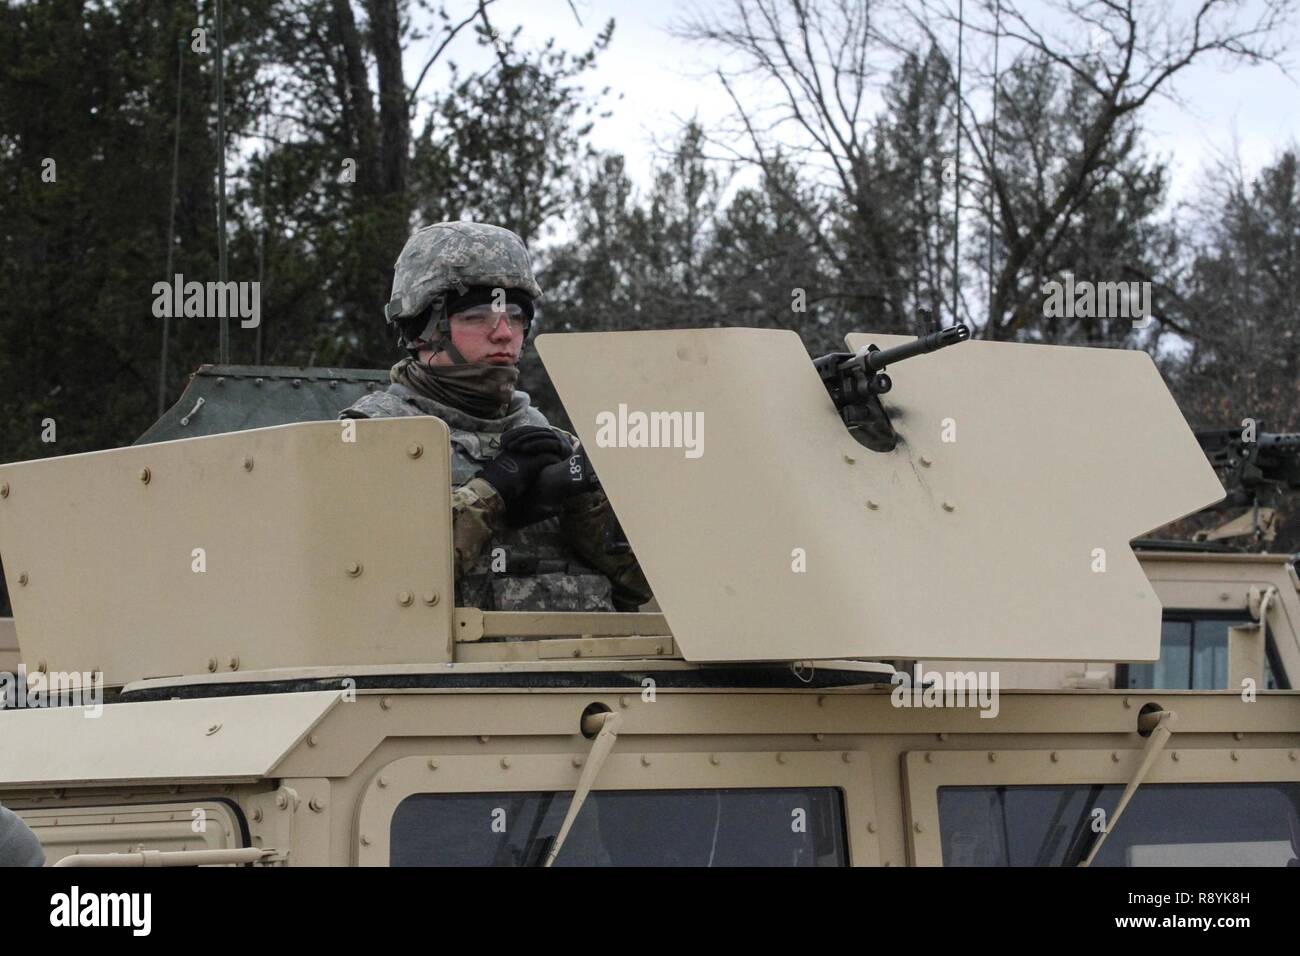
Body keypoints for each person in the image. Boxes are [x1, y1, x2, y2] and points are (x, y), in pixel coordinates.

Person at [341, 221, 652, 613]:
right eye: (477, 317)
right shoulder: (368, 436)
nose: (504, 333)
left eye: (517, 316)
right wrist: (494, 490)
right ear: (423, 329)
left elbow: (644, 589)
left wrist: (580, 500)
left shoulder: (552, 440)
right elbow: (376, 585)